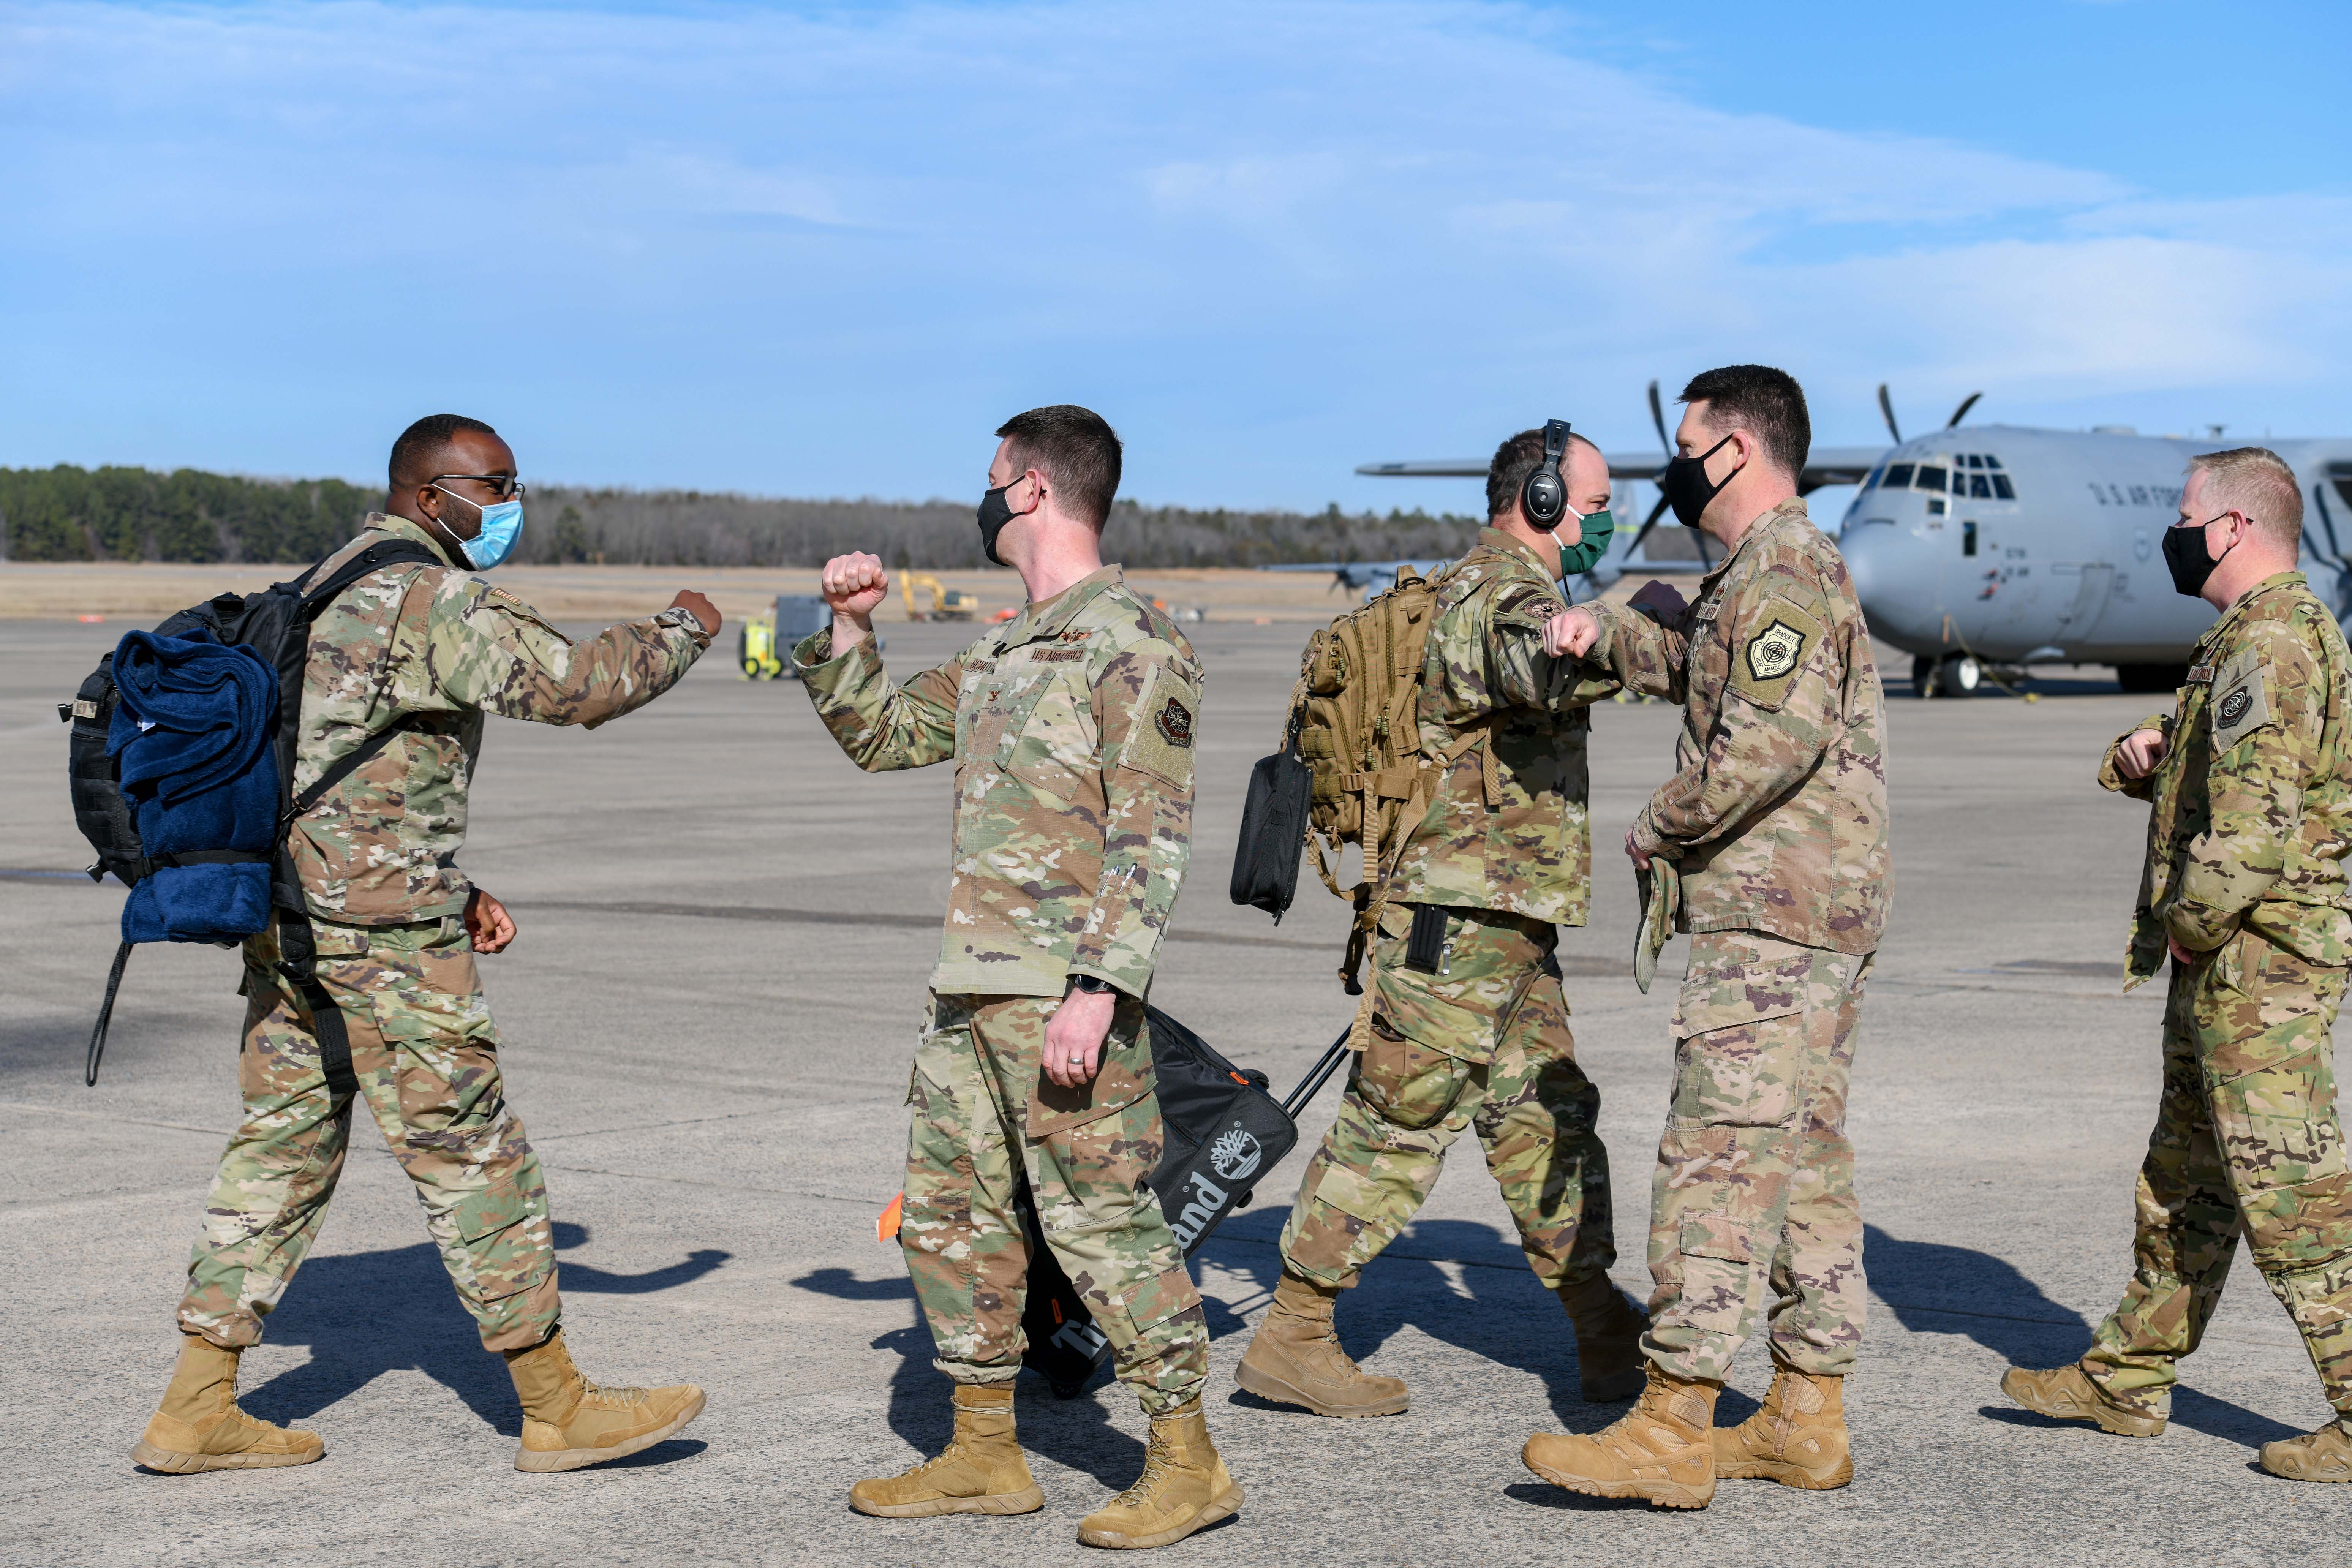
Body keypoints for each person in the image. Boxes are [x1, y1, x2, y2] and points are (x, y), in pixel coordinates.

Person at [131, 414, 720, 1477]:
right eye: (494, 485)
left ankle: (193, 1408)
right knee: (473, 1151)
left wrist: (461, 880)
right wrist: (682, 625)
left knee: (282, 1150)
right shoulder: (428, 595)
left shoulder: (323, 585)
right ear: (428, 494)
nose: (509, 502)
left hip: (293, 922)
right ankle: (556, 1407)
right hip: (386, 940)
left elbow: (342, 769)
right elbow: (577, 684)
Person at [797, 405, 1241, 1551]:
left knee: (1105, 1230)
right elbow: (885, 737)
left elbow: (1152, 834)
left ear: (1035, 488)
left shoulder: (1130, 642)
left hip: (1060, 993)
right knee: (953, 1223)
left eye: (994, 476)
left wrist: (1100, 987)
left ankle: (1190, 1464)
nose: (984, 494)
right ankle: (984, 1454)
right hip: (969, 988)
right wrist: (850, 632)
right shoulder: (1005, 646)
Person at [1528, 365, 1889, 1509]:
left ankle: (1675, 1421)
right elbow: (1703, 674)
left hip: (1773, 919)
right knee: (1804, 1162)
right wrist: (1613, 640)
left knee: (1718, 1156)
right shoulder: (1755, 574)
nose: (1674, 465)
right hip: (1811, 913)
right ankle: (1805, 1412)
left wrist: (1659, 825)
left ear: (1736, 449)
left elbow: (1764, 747)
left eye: (1689, 445)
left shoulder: (1783, 570)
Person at [1233, 425, 1647, 1421]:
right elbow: (1538, 666)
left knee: (1549, 1123)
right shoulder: (1496, 593)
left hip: (1504, 920)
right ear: (1540, 499)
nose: (1605, 522)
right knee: (1395, 1126)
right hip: (1454, 924)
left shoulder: (1508, 588)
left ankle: (1603, 1330)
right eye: (1593, 503)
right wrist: (1628, 624)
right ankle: (1293, 1335)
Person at [2000, 447, 2352, 1483]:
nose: (2177, 529)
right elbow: (2218, 757)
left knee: (2294, 1197)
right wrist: (2140, 753)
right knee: (2186, 1184)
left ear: (2236, 528)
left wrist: (2191, 924)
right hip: (2231, 968)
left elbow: (2251, 830)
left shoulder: (2274, 644)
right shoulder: (2253, 639)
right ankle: (2130, 1376)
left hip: (2260, 971)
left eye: (2188, 514)